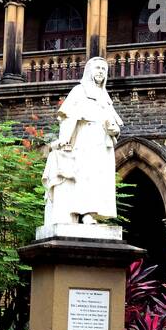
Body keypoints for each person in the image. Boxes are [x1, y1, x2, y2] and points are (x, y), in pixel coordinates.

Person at [42, 55, 123, 227]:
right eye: (97, 68)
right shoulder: (79, 91)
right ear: (89, 71)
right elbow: (69, 117)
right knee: (84, 176)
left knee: (98, 179)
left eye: (103, 69)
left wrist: (114, 130)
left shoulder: (105, 97)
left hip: (103, 143)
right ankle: (85, 213)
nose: (100, 72)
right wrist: (64, 140)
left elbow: (115, 124)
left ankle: (92, 212)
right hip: (85, 139)